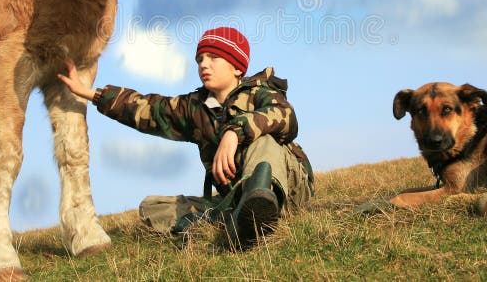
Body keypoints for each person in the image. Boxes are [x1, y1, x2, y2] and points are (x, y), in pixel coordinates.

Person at [57, 26, 313, 248]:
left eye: (213, 57)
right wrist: (91, 94)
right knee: (153, 207)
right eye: (200, 59)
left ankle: (259, 204)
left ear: (237, 67)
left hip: (288, 189)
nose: (203, 64)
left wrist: (234, 133)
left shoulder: (261, 92)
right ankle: (239, 218)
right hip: (234, 195)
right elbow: (147, 109)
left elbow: (285, 117)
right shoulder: (195, 108)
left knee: (264, 139)